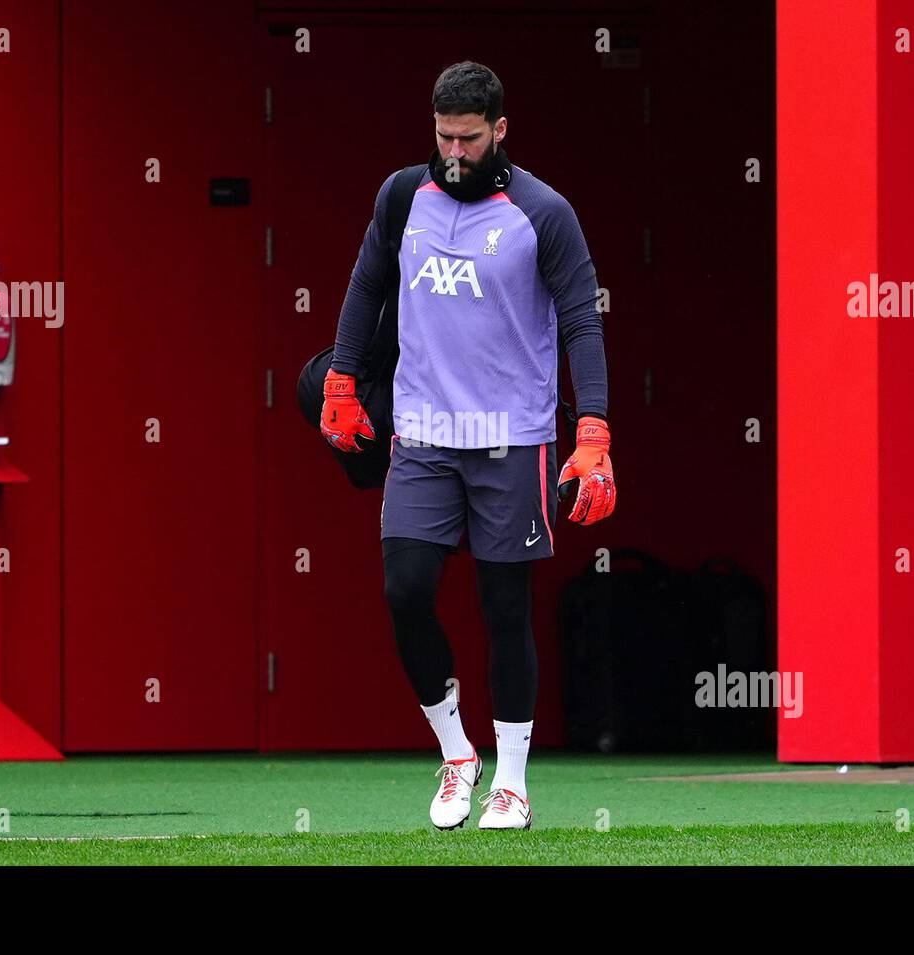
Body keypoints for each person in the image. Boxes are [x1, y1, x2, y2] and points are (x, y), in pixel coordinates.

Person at [320, 60, 615, 830]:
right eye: (445, 136)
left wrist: (593, 431)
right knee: (405, 590)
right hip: (423, 433)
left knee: (504, 606)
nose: (455, 152)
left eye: (470, 138)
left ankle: (511, 783)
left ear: (500, 130)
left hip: (512, 437)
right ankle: (457, 753)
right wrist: (342, 379)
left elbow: (581, 321)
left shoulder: (543, 213)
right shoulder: (401, 196)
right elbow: (366, 284)